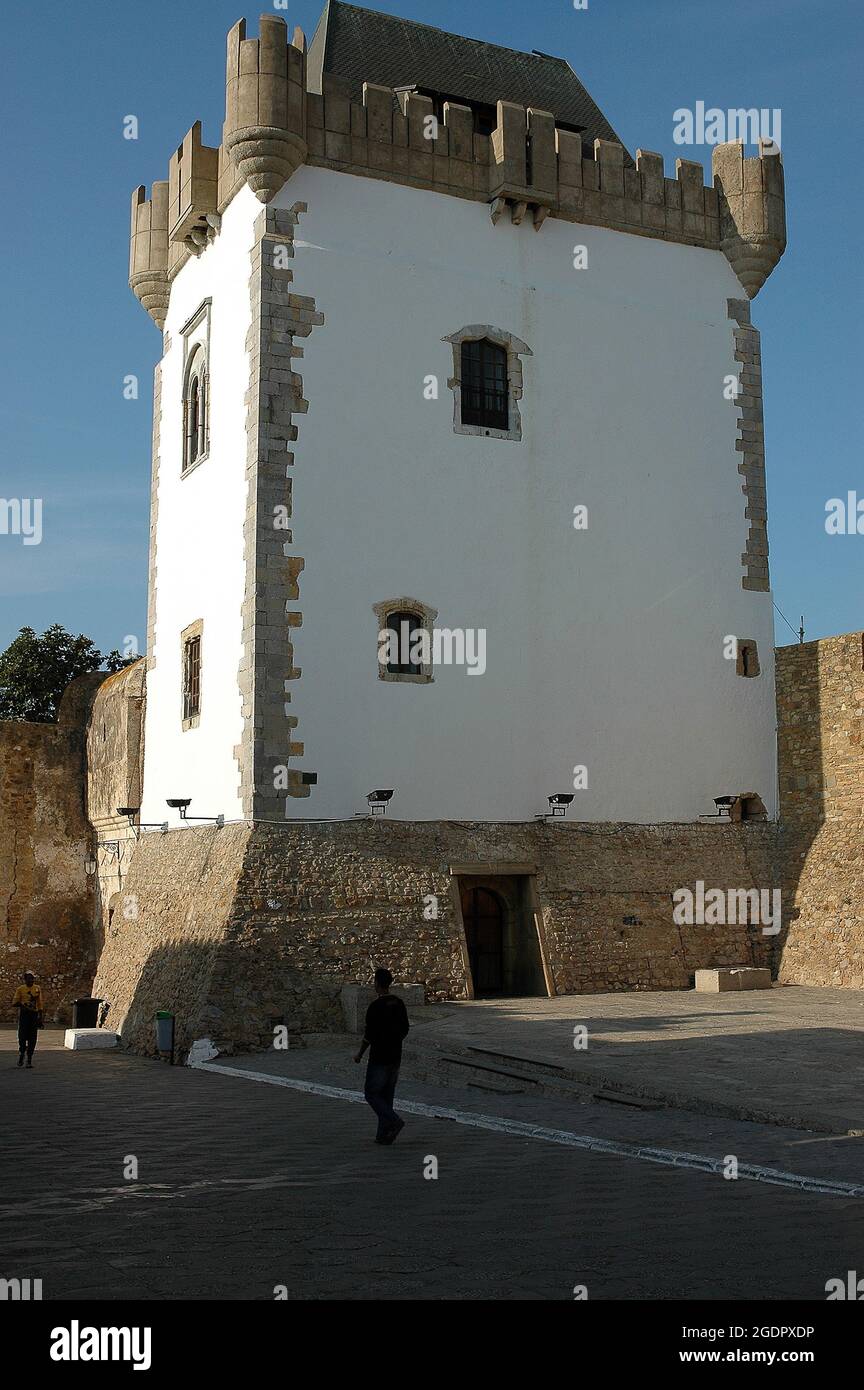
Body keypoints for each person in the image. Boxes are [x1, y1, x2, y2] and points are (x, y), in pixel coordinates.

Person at [354, 967, 410, 1144]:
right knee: (387, 1095)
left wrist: (359, 1054)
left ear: (377, 984)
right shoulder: (399, 1003)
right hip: (395, 1055)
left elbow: (369, 1035)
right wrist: (396, 1041)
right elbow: (405, 1028)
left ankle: (393, 1121)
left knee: (371, 1094)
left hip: (379, 1056)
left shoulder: (375, 1007)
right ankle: (383, 1135)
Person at [12, 970, 43, 1068]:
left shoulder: (37, 989)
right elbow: (14, 1002)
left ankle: (29, 1059)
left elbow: (40, 1003)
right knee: (22, 1036)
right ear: (25, 980)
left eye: (32, 978)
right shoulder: (20, 989)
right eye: (29, 979)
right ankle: (22, 1052)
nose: (31, 981)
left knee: (32, 1038)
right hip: (24, 1015)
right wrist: (22, 1005)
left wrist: (40, 1017)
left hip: (33, 1015)